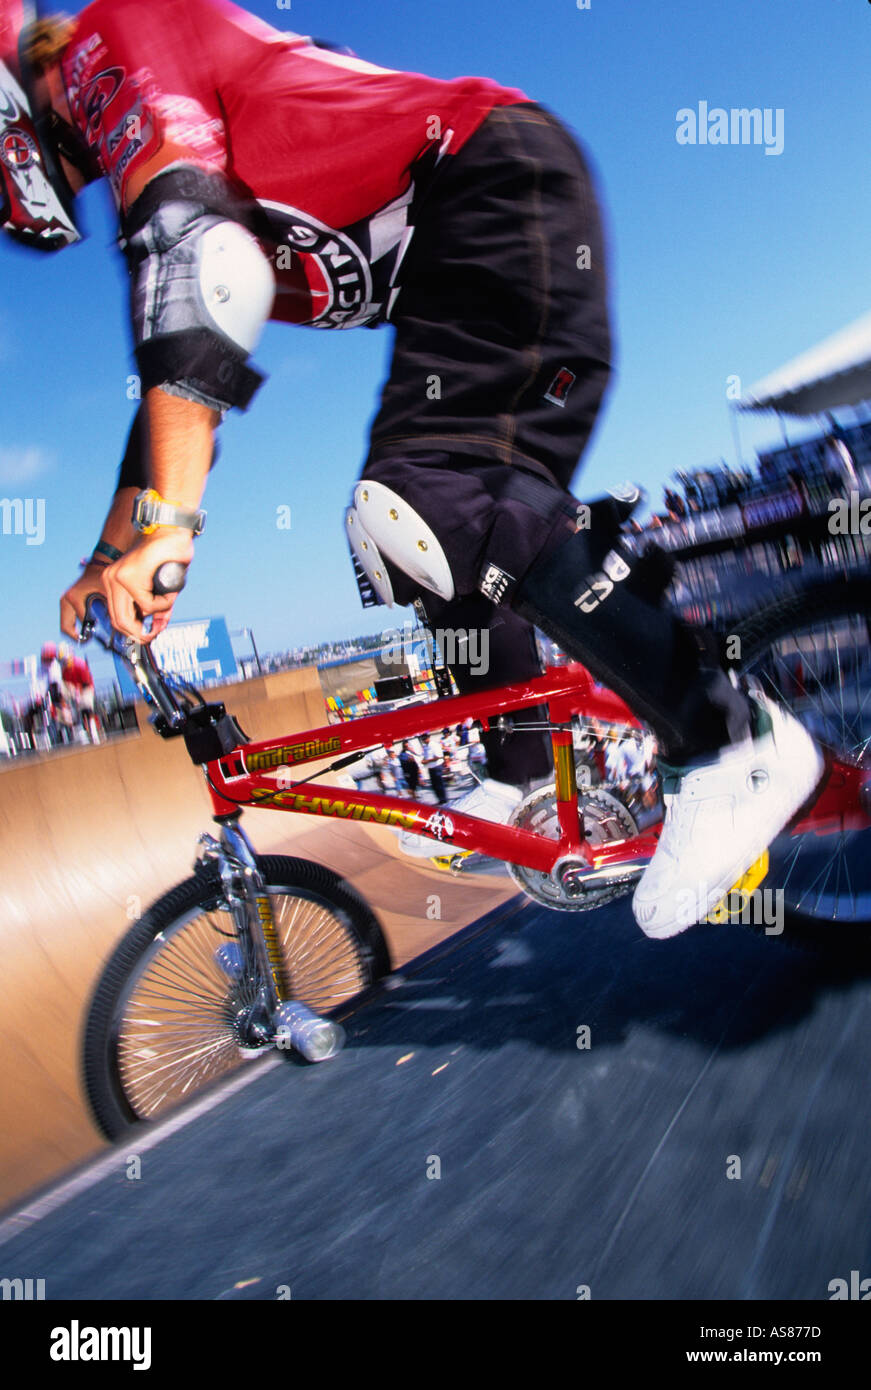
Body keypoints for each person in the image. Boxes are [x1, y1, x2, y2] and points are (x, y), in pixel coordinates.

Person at [2, 0, 823, 939]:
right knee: (397, 532)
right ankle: (516, 772)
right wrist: (103, 553)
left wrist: (167, 533)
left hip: (498, 182)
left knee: (434, 494)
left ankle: (729, 741)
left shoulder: (116, 37)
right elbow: (186, 371)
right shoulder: (165, 150)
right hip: (465, 262)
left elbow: (190, 268)